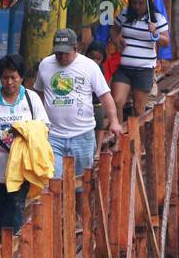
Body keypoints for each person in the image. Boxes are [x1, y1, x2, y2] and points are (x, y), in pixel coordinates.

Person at [0, 54, 50, 235]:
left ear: (21, 77)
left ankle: (10, 255)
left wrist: (24, 130)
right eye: (5, 77)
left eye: (14, 77)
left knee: (14, 212)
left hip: (21, 170)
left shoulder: (31, 99)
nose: (10, 82)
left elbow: (44, 127)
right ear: (0, 78)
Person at [34, 28, 123, 180]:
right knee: (54, 180)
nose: (61, 57)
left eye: (65, 53)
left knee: (81, 182)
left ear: (76, 49)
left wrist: (114, 121)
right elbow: (38, 94)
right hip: (53, 136)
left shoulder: (90, 66)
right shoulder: (45, 65)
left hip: (82, 135)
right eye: (58, 53)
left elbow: (105, 96)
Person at [111, 0, 169, 119]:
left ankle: (138, 138)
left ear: (148, 2)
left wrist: (155, 33)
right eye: (134, 3)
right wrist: (116, 40)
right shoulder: (125, 14)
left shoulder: (157, 19)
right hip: (124, 67)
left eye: (141, 3)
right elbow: (113, 29)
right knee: (117, 101)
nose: (137, 6)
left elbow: (166, 42)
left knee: (138, 108)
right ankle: (118, 134)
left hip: (144, 69)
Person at [85, 41, 112, 155]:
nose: (94, 61)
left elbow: (104, 90)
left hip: (97, 103)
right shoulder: (82, 67)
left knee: (99, 126)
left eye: (98, 59)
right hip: (86, 103)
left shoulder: (100, 70)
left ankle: (98, 149)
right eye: (92, 58)